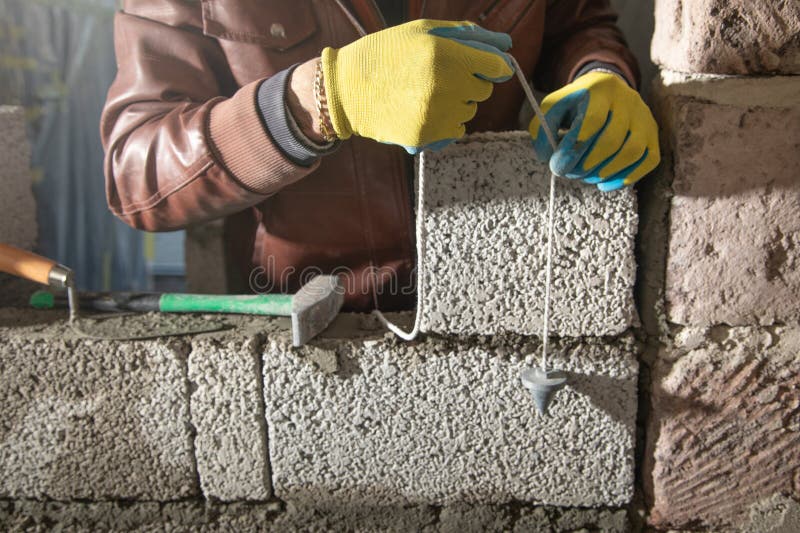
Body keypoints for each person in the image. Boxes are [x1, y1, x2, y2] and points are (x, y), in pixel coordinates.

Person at [101, 0, 658, 311]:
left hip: (509, 289)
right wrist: (317, 101)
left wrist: (601, 76)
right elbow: (136, 172)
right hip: (321, 315)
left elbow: (577, 25)